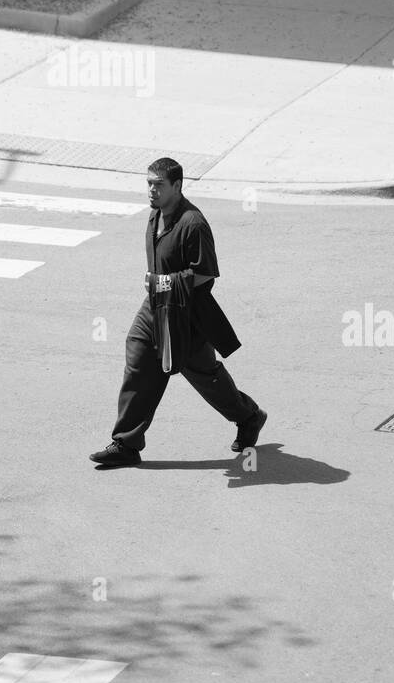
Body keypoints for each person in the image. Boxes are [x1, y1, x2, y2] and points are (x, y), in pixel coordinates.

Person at [90, 156, 266, 469]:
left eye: (158, 185)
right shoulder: (155, 214)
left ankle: (248, 415)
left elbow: (206, 273)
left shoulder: (193, 224)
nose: (151, 191)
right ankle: (126, 443)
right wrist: (159, 287)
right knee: (138, 357)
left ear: (177, 186)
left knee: (203, 375)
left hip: (185, 314)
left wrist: (166, 282)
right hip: (155, 307)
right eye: (149, 184)